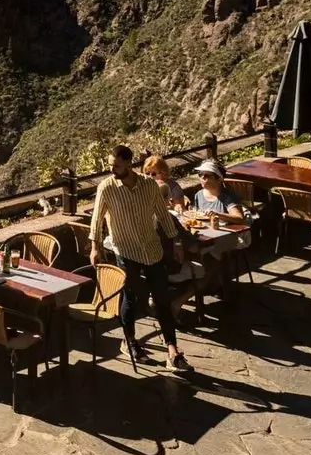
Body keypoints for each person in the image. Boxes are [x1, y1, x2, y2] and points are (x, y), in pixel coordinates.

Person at [89, 145, 191, 372]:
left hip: (151, 248)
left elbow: (163, 214)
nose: (111, 169)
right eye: (110, 164)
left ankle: (173, 350)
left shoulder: (147, 185)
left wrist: (175, 241)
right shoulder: (107, 188)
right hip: (124, 249)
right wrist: (95, 247)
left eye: (116, 164)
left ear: (128, 163)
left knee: (162, 298)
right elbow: (96, 219)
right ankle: (129, 340)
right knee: (132, 296)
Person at [192, 159, 248, 224]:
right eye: (200, 174)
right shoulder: (199, 195)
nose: (202, 177)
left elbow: (240, 219)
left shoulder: (228, 196)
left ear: (219, 179)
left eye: (207, 175)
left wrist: (217, 215)